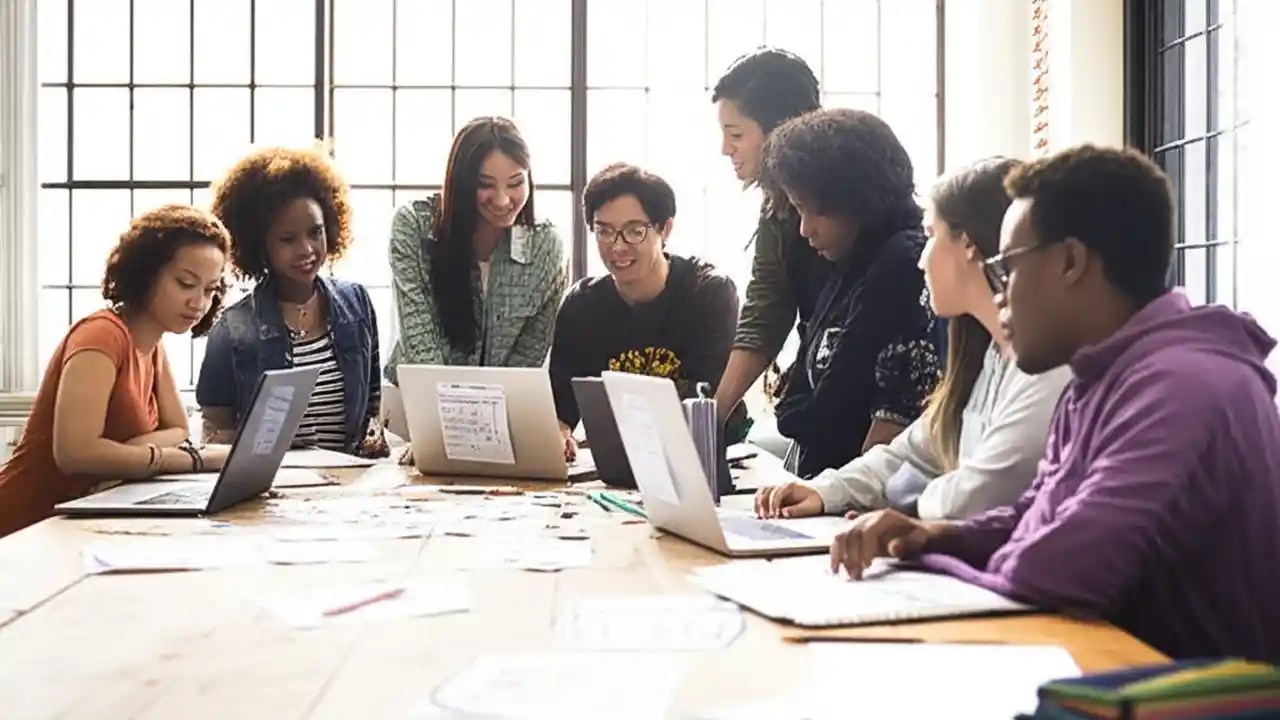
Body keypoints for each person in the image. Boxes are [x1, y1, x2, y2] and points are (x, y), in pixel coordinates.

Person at [831, 145, 1280, 663]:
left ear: (1071, 262)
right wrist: (934, 537)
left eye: (1006, 269)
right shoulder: (1102, 377)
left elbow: (1056, 571)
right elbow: (1035, 513)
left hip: (1193, 700)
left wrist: (933, 562)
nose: (999, 294)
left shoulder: (1183, 387)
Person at [754, 158, 1071, 521]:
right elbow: (909, 453)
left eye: (931, 236)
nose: (921, 259)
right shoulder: (986, 358)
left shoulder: (1048, 367)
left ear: (968, 244)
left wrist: (902, 512)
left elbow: (981, 494)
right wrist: (826, 490)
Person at [0, 205, 231, 538]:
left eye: (210, 290)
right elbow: (74, 454)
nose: (199, 302)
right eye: (186, 283)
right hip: (23, 528)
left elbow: (179, 430)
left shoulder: (153, 345)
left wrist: (126, 450)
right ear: (146, 273)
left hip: (74, 526)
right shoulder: (101, 335)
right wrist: (196, 460)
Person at [758, 107, 942, 478]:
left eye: (816, 212)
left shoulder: (902, 266)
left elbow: (889, 422)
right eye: (798, 210)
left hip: (857, 499)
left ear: (856, 199)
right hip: (824, 486)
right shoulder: (850, 264)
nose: (805, 230)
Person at [197, 147, 388, 458]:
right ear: (260, 244)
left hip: (350, 486)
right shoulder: (231, 328)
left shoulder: (357, 304)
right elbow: (216, 430)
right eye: (288, 239)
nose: (306, 250)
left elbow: (372, 406)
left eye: (315, 233)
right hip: (270, 491)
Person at [549, 163, 745, 462]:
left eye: (634, 232)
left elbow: (710, 398)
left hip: (707, 454)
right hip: (617, 458)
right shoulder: (581, 306)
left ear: (664, 229)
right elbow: (561, 410)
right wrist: (560, 436)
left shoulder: (709, 293)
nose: (618, 247)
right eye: (604, 232)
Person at [384, 116, 567, 383]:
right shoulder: (414, 227)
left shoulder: (546, 247)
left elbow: (528, 359)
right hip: (417, 400)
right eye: (485, 185)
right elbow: (420, 345)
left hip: (499, 408)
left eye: (516, 183)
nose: (503, 200)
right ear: (462, 183)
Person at [709, 47, 834, 431]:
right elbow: (766, 311)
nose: (725, 148)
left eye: (736, 134)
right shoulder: (775, 208)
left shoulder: (843, 199)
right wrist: (712, 418)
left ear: (781, 128)